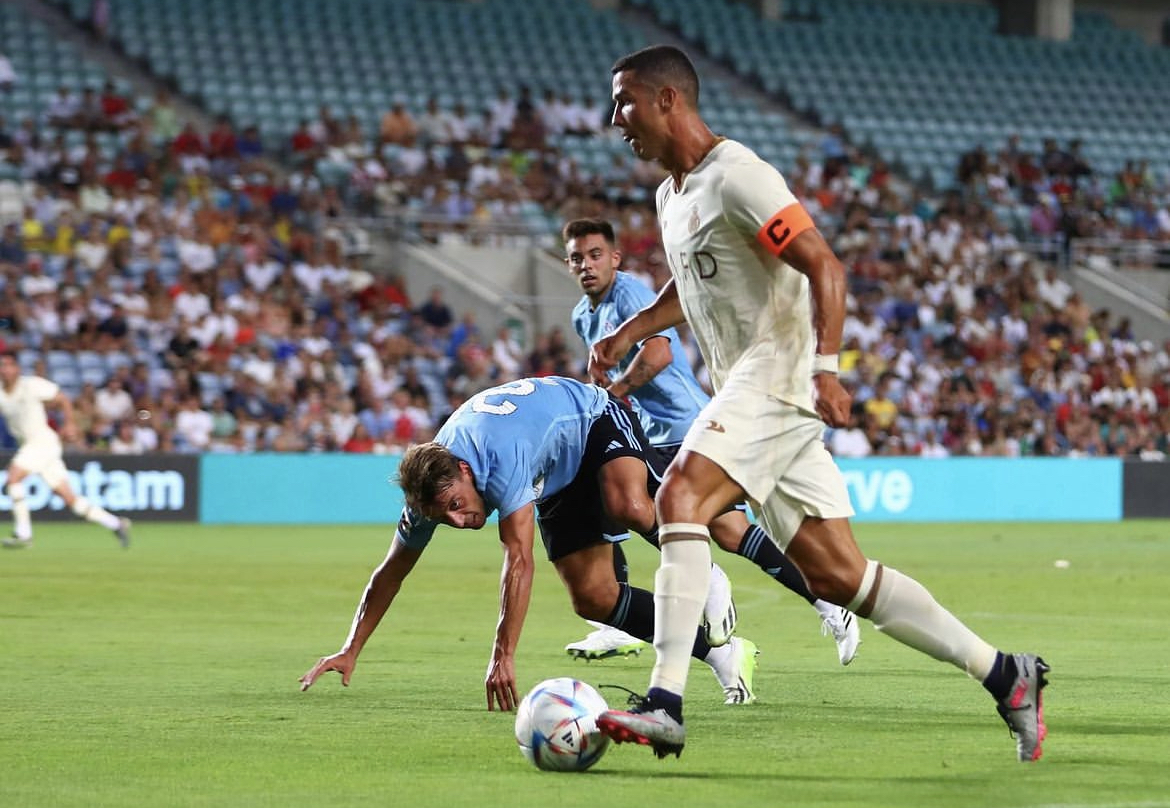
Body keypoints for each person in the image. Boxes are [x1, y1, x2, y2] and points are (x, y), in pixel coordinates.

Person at [589, 45, 1048, 763]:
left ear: (668, 100)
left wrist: (827, 369)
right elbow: (693, 282)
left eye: (623, 102)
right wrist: (629, 330)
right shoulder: (670, 197)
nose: (613, 118)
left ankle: (665, 700)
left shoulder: (738, 176)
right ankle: (1005, 673)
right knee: (841, 576)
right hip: (750, 388)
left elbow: (822, 262)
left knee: (677, 495)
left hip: (778, 375)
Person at [299, 376, 759, 709]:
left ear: (464, 471)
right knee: (594, 598)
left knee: (631, 506)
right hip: (556, 469)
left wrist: (504, 654)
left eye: (457, 505)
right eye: (446, 517)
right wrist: (351, 647)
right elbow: (391, 572)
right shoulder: (428, 495)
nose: (459, 522)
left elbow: (519, 559)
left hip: (594, 417)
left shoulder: (498, 456)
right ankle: (721, 654)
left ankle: (708, 573)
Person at [561, 217, 859, 665]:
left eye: (596, 255)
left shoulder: (630, 293)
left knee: (616, 494)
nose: (587, 265)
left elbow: (658, 353)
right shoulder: (583, 315)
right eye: (577, 258)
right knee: (730, 531)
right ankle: (825, 598)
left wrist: (614, 392)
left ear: (615, 258)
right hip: (648, 430)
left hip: (681, 423)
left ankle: (697, 590)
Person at [0, 352, 131, 549]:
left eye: (9, 365)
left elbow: (62, 399)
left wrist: (69, 424)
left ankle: (23, 534)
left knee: (14, 479)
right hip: (30, 446)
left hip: (43, 442)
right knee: (70, 499)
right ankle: (116, 523)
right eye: (2, 365)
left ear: (17, 368)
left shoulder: (31, 385)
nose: (5, 369)